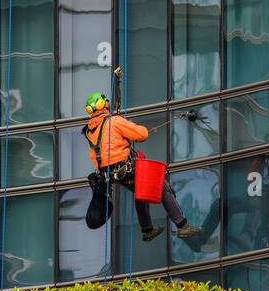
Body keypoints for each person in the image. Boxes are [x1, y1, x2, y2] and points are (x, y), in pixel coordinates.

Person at [82, 91, 199, 241]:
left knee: (141, 191)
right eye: (106, 103)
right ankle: (183, 226)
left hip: (110, 175)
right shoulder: (114, 121)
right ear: (103, 105)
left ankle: (147, 230)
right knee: (161, 185)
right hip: (125, 169)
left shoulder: (89, 131)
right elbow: (142, 134)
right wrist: (127, 125)